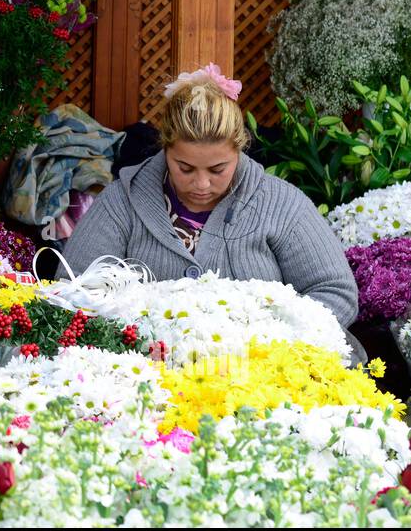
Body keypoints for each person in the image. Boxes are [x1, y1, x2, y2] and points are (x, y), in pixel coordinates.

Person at [63, 63, 365, 361]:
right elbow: (74, 288)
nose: (202, 183)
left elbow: (334, 291)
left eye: (218, 169)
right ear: (165, 148)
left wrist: (270, 347)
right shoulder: (123, 202)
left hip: (268, 376)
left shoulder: (281, 205)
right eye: (185, 168)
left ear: (239, 149)